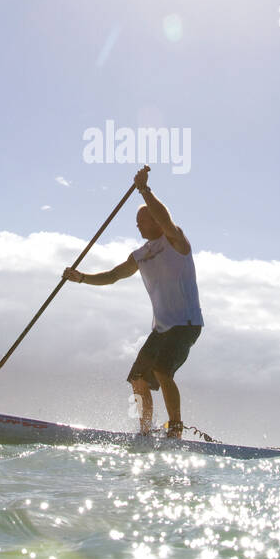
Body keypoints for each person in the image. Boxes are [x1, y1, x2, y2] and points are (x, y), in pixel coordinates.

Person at [64, 166, 202, 438]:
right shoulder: (140, 254)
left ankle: (175, 429)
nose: (137, 225)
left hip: (186, 324)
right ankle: (145, 432)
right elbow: (113, 275)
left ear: (154, 221)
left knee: (163, 370)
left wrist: (144, 190)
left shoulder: (176, 241)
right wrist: (81, 278)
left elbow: (165, 218)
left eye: (142, 220)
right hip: (162, 328)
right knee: (138, 378)